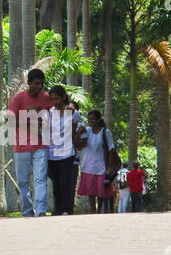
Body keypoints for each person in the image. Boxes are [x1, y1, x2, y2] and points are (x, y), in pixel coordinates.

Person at [9, 67, 54, 216]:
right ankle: (27, 211)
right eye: (36, 83)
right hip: (21, 146)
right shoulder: (18, 99)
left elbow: (56, 113)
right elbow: (10, 121)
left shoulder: (46, 98)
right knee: (23, 182)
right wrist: (30, 123)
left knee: (40, 179)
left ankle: (40, 211)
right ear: (29, 83)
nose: (39, 87)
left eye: (42, 84)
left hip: (41, 145)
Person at [46, 85, 83, 215]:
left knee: (65, 182)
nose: (54, 102)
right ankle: (58, 208)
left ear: (63, 97)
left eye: (56, 99)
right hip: (52, 153)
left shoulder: (72, 112)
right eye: (52, 99)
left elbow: (79, 128)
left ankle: (67, 208)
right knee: (55, 183)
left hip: (67, 152)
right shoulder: (49, 113)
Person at [77, 110, 119, 213]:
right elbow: (78, 145)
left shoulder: (105, 132)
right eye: (89, 119)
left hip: (101, 165)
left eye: (93, 119)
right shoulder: (86, 131)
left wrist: (109, 167)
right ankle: (93, 211)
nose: (91, 121)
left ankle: (99, 210)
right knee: (91, 191)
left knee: (101, 191)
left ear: (99, 120)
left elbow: (111, 149)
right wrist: (79, 132)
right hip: (88, 165)